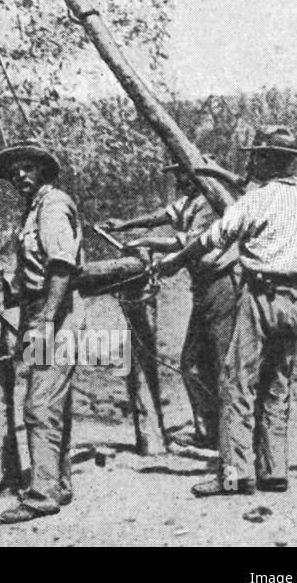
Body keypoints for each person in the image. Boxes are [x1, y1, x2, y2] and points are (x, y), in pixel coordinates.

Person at [157, 126, 297, 497]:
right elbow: (254, 194)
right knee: (277, 383)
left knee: (236, 383)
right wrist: (224, 176)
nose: (250, 161)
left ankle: (235, 474)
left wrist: (175, 262)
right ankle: (274, 470)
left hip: (260, 294)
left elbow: (211, 238)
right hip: (292, 299)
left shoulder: (256, 200)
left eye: (257, 155)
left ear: (265, 159)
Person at [101, 159, 243, 446]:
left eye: (184, 175)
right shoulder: (188, 201)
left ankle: (232, 437)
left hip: (221, 284)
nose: (179, 181)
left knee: (220, 362)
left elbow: (188, 243)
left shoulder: (209, 202)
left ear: (197, 177)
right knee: (190, 363)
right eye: (177, 176)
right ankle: (210, 433)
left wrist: (147, 243)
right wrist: (126, 225)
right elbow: (161, 216)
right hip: (202, 286)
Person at [0, 139, 82, 524]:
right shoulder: (34, 209)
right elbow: (37, 267)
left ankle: (42, 494)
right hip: (40, 310)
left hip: (55, 316)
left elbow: (61, 265)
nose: (20, 176)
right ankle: (57, 481)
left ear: (42, 170)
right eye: (14, 172)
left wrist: (45, 320)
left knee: (39, 404)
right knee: (51, 400)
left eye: (27, 168)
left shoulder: (54, 204)